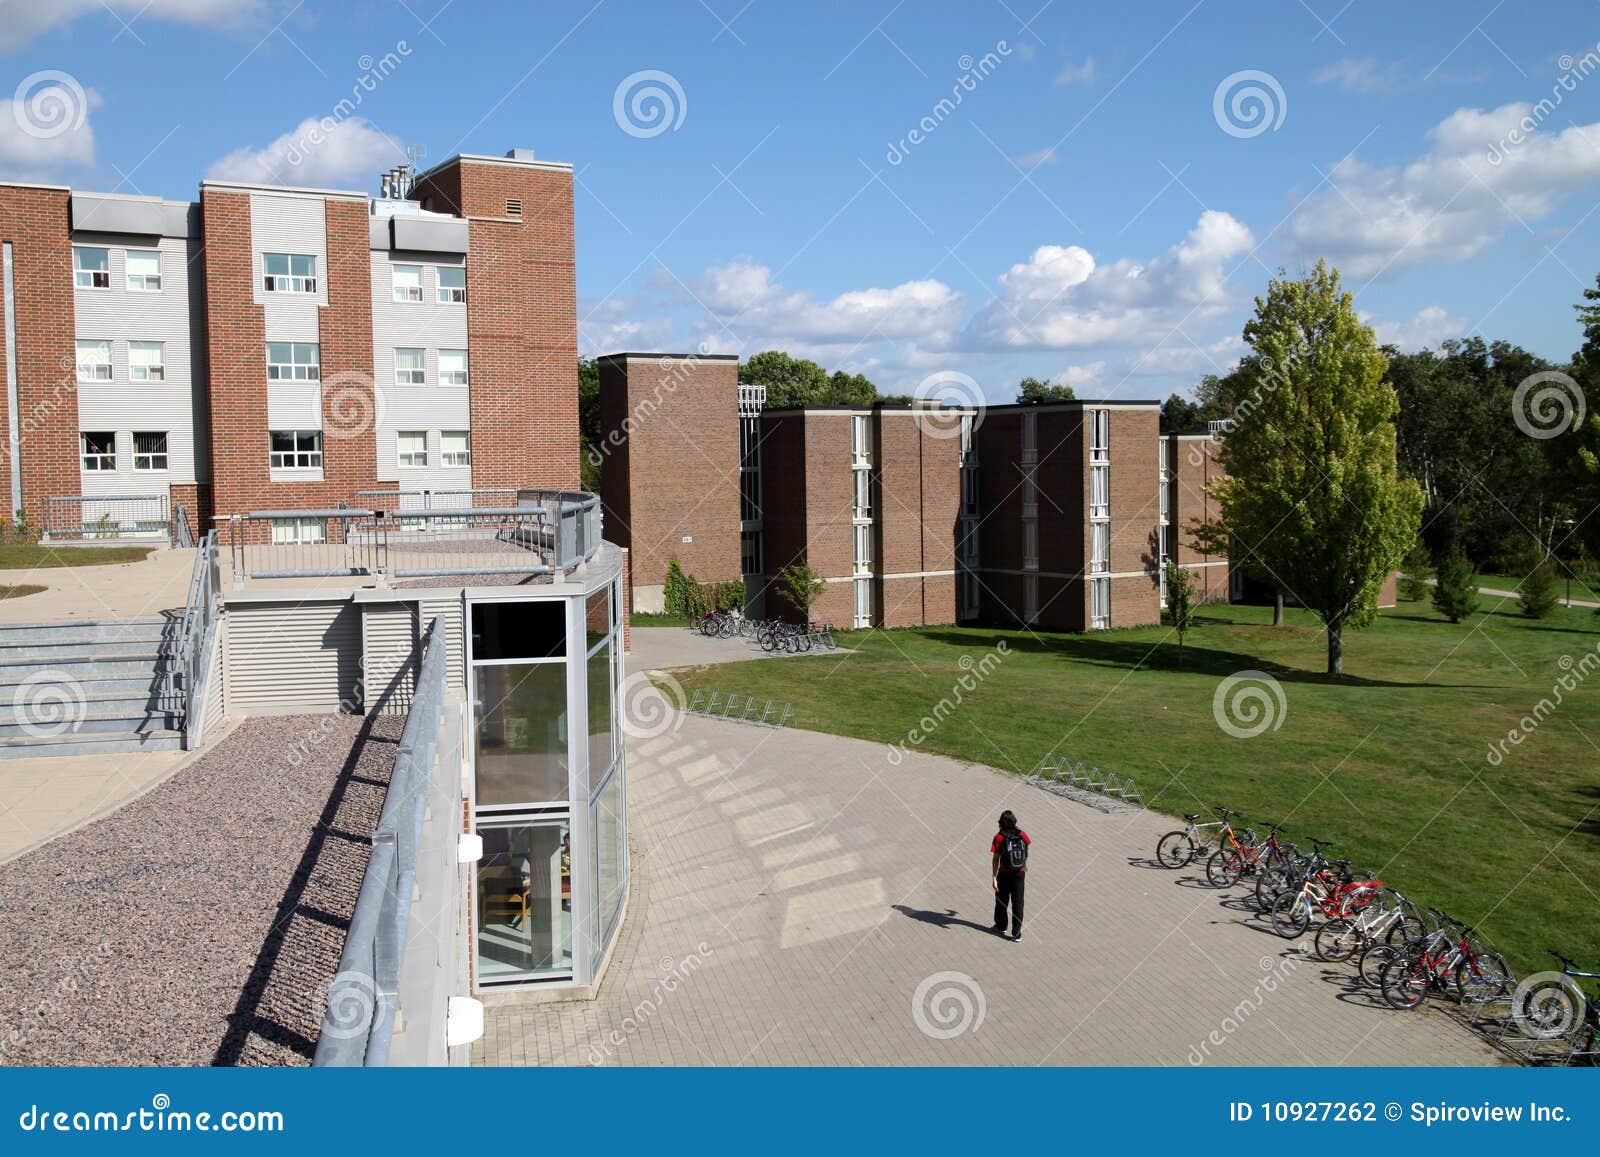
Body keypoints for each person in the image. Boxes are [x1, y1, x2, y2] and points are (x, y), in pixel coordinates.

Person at [990, 810, 1030, 941]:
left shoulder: (999, 837)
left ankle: (1001, 926)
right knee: (1018, 903)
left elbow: (996, 858)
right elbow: (1026, 848)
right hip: (1020, 873)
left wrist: (994, 877)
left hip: (1004, 873)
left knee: (1002, 901)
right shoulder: (1022, 834)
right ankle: (1017, 934)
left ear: (1001, 823)